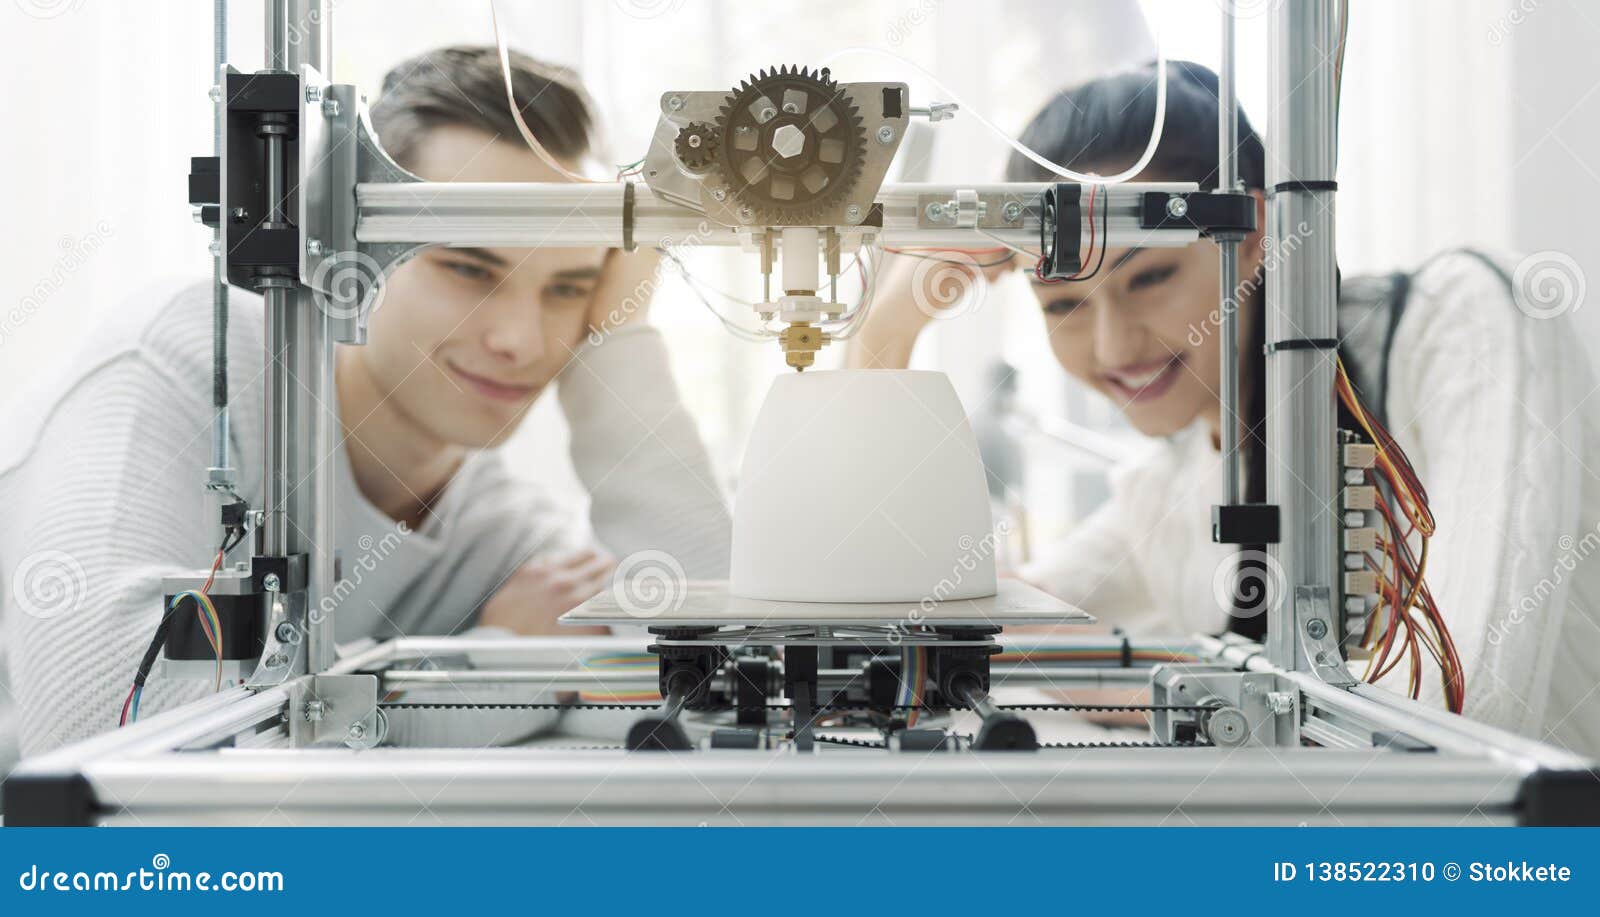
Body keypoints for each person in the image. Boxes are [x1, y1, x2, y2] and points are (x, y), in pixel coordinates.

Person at [849, 61, 1600, 756]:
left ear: (1251, 236)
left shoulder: (1459, 324)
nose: (1113, 345)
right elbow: (948, 617)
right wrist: (885, 337)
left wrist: (1173, 698)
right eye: (1064, 304)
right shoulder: (1166, 486)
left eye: (1150, 278)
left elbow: (1463, 729)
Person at [0, 46, 730, 760]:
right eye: (469, 268)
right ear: (350, 251)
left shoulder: (503, 536)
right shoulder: (194, 362)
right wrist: (497, 660)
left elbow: (724, 676)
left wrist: (617, 341)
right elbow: (101, 736)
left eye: (569, 288)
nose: (522, 340)